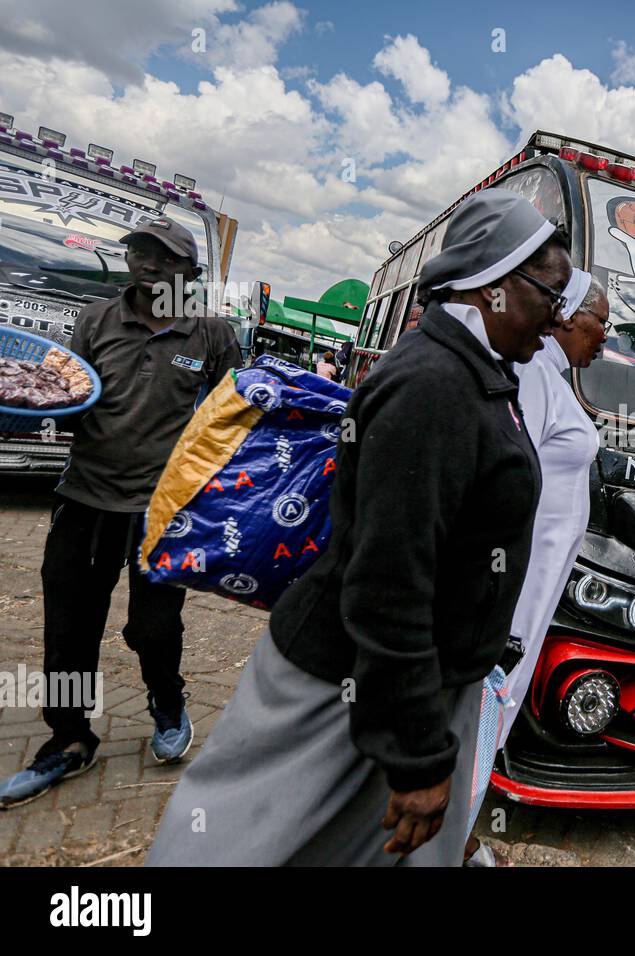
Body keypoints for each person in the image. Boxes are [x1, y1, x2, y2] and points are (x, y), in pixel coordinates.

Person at [146, 191, 570, 866]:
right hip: (341, 688)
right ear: (495, 284)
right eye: (552, 294)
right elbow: (388, 584)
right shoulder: (431, 385)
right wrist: (417, 756)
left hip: (412, 689)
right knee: (240, 848)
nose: (560, 318)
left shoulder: (480, 375)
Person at [0, 219, 242, 809]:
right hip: (86, 496)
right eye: (139, 252)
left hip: (164, 508)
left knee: (153, 627)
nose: (148, 264)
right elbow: (66, 389)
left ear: (191, 273)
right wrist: (29, 406)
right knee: (69, 629)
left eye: (165, 257)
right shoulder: (96, 320)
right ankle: (68, 738)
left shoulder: (211, 333)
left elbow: (232, 412)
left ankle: (167, 701)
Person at [462, 271, 610, 867]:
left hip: (536, 580)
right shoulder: (532, 375)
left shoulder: (552, 374)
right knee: (486, 702)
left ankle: (454, 826)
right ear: (568, 315)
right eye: (601, 321)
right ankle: (449, 838)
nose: (607, 335)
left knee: (499, 701)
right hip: (516, 583)